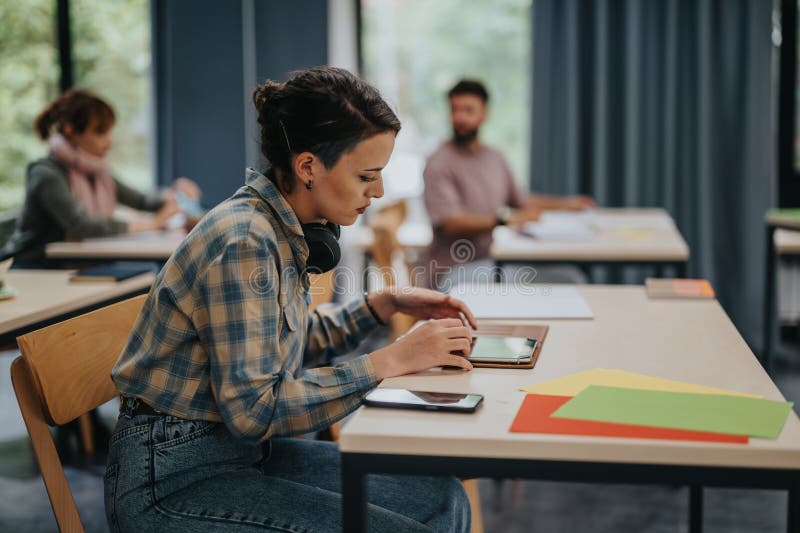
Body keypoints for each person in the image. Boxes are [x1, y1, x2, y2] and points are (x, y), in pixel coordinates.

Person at [106, 67, 474, 532]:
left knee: (443, 497)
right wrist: (388, 361)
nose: (377, 191)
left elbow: (287, 341)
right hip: (172, 480)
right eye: (366, 175)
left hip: (235, 453)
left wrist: (384, 304)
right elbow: (254, 410)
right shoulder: (245, 241)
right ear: (307, 168)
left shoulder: (283, 231)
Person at [423, 79, 594, 288]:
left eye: (468, 110)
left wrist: (568, 204)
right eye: (454, 109)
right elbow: (451, 223)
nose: (460, 117)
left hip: (491, 261)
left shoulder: (495, 157)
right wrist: (506, 219)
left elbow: (521, 201)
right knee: (569, 280)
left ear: (484, 114)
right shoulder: (438, 162)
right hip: (453, 272)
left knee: (570, 277)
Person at [2, 89, 201, 264]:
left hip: (67, 267)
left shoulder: (96, 172)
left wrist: (173, 193)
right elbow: (83, 226)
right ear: (71, 130)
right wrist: (153, 223)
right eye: (100, 132)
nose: (109, 141)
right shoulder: (46, 174)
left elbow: (140, 200)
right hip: (27, 269)